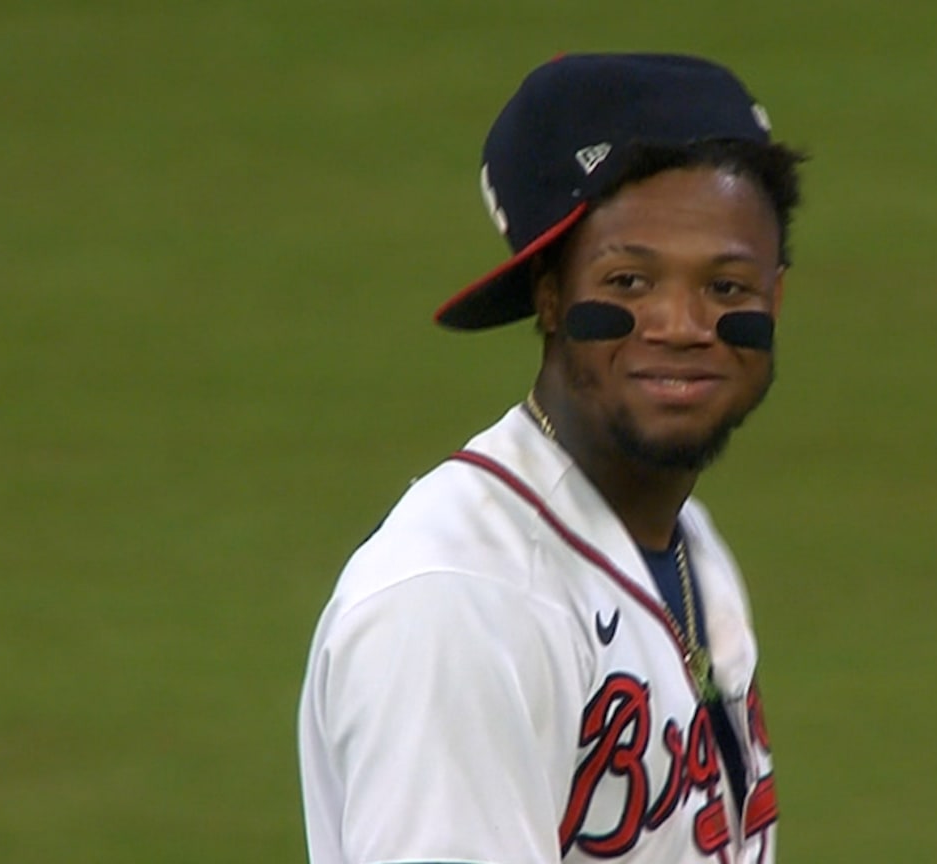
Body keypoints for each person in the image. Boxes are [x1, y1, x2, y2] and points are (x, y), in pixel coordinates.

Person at [298, 52, 807, 864]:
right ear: (549, 295)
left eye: (727, 288)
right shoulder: (459, 602)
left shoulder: (685, 544)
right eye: (631, 280)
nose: (682, 323)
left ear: (774, 300)